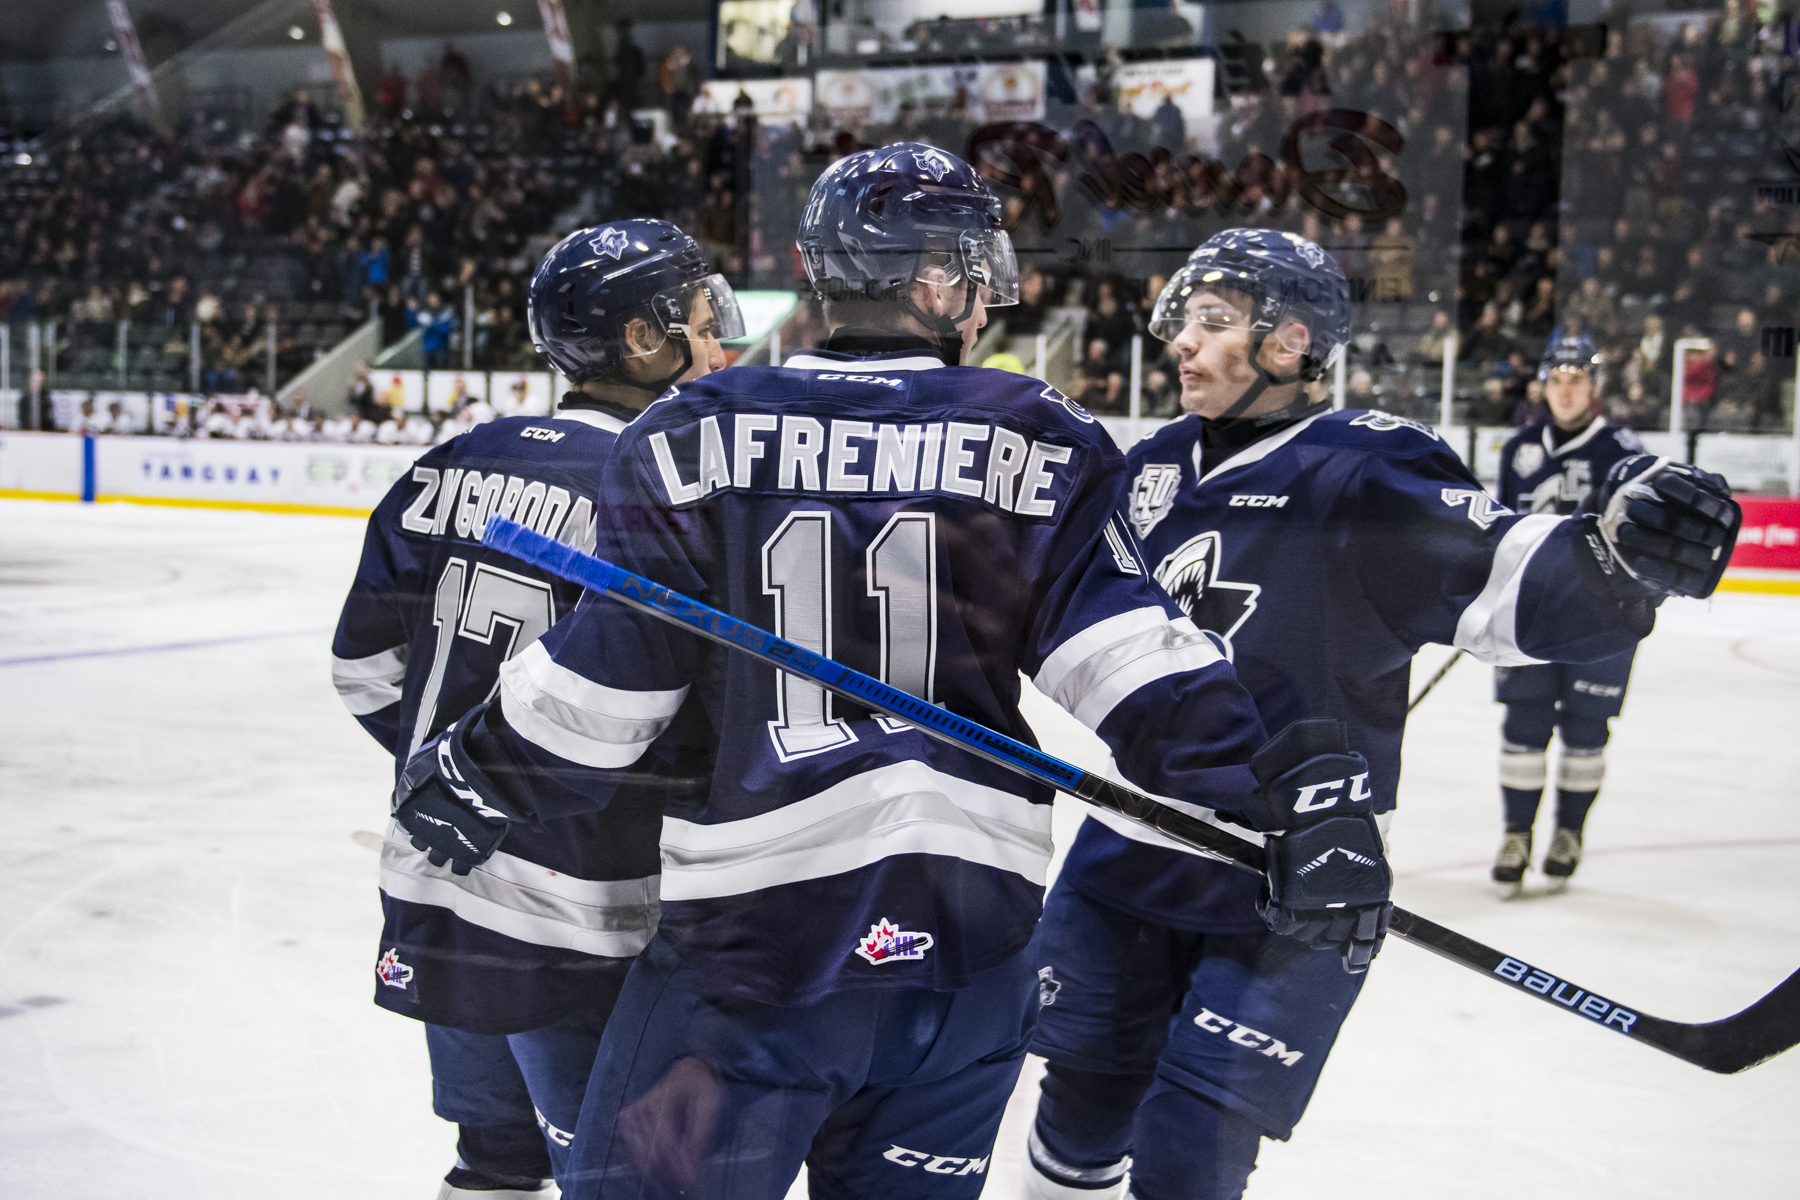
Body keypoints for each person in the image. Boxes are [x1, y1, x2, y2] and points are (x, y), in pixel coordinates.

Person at [386, 146, 1388, 1200]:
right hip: (964, 960)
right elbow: (1137, 671)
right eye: (973, 264)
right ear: (936, 281)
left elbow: (608, 690)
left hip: (751, 955)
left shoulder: (694, 428)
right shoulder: (1035, 432)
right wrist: (1292, 803)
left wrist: (483, 770)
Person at [1021, 229, 1739, 1200]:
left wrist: (1618, 560)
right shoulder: (1151, 465)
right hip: (1125, 854)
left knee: (1191, 1153)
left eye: (1214, 321)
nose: (1182, 343)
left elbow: (1512, 575)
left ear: (1289, 343)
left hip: (1301, 874)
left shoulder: (1363, 470)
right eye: (1183, 321)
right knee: (1076, 1122)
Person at [330, 219, 740, 1200]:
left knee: (492, 1163)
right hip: (580, 910)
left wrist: (460, 774)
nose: (720, 342)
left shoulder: (448, 464)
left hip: (436, 886)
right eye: (699, 318)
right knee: (629, 1178)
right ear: (645, 341)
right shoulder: (665, 488)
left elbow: (365, 670)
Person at [1488, 333, 1647, 896]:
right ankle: (1515, 835)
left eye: (1576, 380)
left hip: (1601, 620)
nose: (1565, 390)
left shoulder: (1623, 453)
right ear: (1544, 385)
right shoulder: (1519, 449)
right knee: (1523, 725)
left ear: (1593, 388)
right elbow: (1501, 531)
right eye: (1557, 380)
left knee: (1586, 729)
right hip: (1529, 613)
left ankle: (1568, 834)